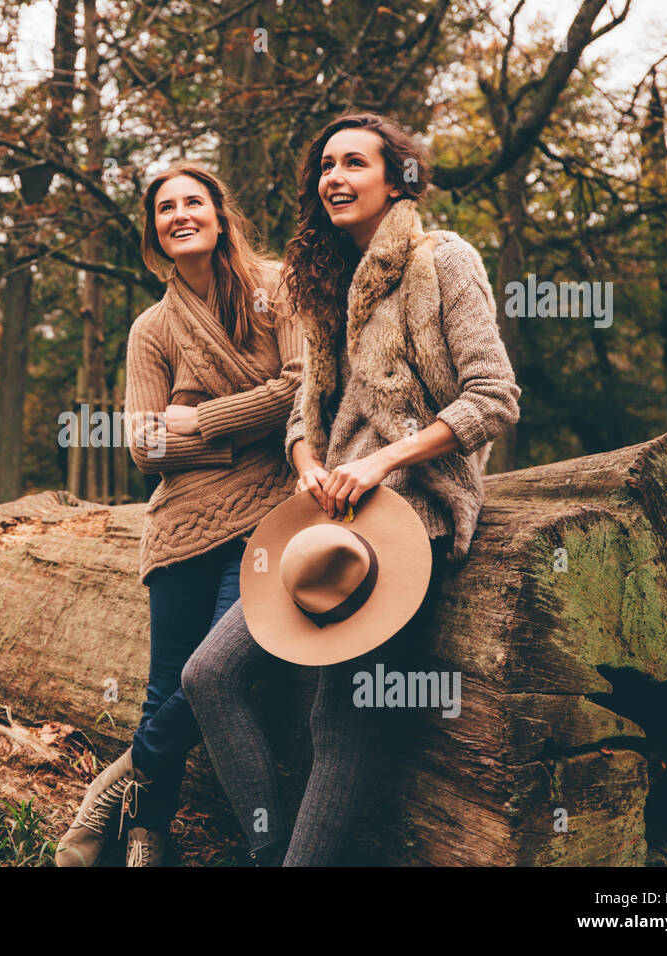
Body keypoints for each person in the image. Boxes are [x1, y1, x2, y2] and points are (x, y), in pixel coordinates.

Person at [181, 112, 522, 866]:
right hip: (324, 519)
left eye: (354, 164)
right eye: (325, 166)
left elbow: (494, 395)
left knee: (343, 716)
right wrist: (305, 461)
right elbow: (306, 412)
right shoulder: (326, 281)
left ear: (396, 178)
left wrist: (382, 461)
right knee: (209, 674)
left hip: (411, 518)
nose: (334, 177)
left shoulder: (443, 261)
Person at [54, 164, 303, 866]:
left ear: (220, 216)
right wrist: (236, 433)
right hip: (180, 523)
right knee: (166, 684)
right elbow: (143, 446)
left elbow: (301, 386)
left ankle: (111, 791)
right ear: (155, 231)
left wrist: (201, 418)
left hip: (272, 513)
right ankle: (145, 834)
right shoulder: (151, 329)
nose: (180, 214)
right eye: (166, 208)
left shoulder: (275, 287)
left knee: (209, 674)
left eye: (194, 201)